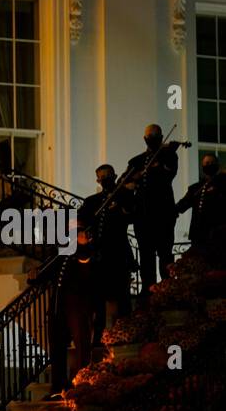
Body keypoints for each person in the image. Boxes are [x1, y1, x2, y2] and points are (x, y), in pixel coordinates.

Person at [124, 124, 185, 291]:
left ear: (161, 137)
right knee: (146, 255)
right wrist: (133, 181)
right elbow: (123, 181)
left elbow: (169, 173)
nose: (152, 139)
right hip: (142, 216)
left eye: (155, 136)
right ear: (145, 139)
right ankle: (147, 289)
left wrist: (168, 151)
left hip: (163, 214)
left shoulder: (168, 155)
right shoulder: (136, 161)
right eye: (149, 136)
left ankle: (166, 290)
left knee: (165, 254)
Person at [79, 164, 136, 327]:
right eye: (101, 177)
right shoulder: (92, 201)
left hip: (119, 253)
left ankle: (125, 330)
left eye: (108, 175)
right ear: (97, 180)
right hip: (99, 255)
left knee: (122, 296)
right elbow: (81, 220)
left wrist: (124, 196)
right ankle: (99, 334)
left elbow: (131, 214)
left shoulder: (123, 195)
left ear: (115, 176)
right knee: (98, 297)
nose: (105, 179)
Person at [48, 238, 101, 393]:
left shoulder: (88, 249)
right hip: (59, 306)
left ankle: (82, 381)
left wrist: (82, 245)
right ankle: (58, 385)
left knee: (82, 343)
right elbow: (55, 271)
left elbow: (85, 261)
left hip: (79, 305)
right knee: (57, 345)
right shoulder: (64, 251)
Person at [176, 153, 226, 253]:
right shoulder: (196, 188)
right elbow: (183, 204)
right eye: (207, 163)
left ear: (217, 165)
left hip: (217, 233)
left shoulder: (222, 183)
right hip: (198, 234)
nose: (210, 165)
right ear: (202, 166)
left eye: (212, 163)